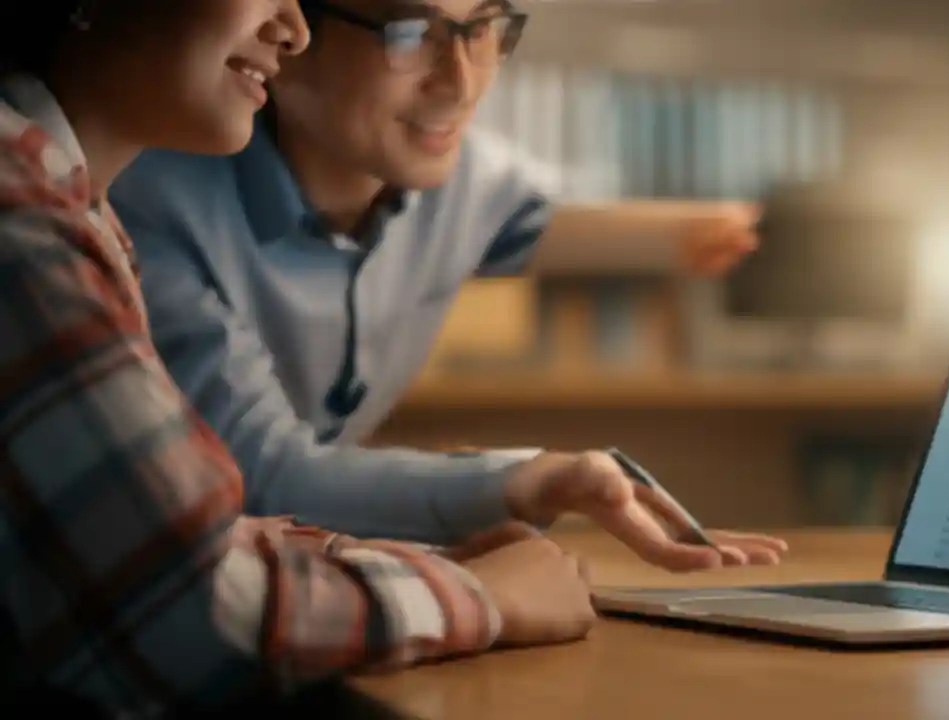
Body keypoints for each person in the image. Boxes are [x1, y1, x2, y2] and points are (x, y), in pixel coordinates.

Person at [0, 1, 599, 715]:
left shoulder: (73, 201)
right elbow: (193, 614)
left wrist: (393, 569)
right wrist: (485, 598)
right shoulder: (21, 218)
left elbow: (178, 540)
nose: (294, 26)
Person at [107, 0, 785, 569]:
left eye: (481, 27)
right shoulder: (141, 201)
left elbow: (565, 223)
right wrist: (527, 478)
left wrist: (736, 229)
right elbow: (256, 475)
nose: (461, 83)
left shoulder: (466, 184)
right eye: (409, 33)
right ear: (286, 35)